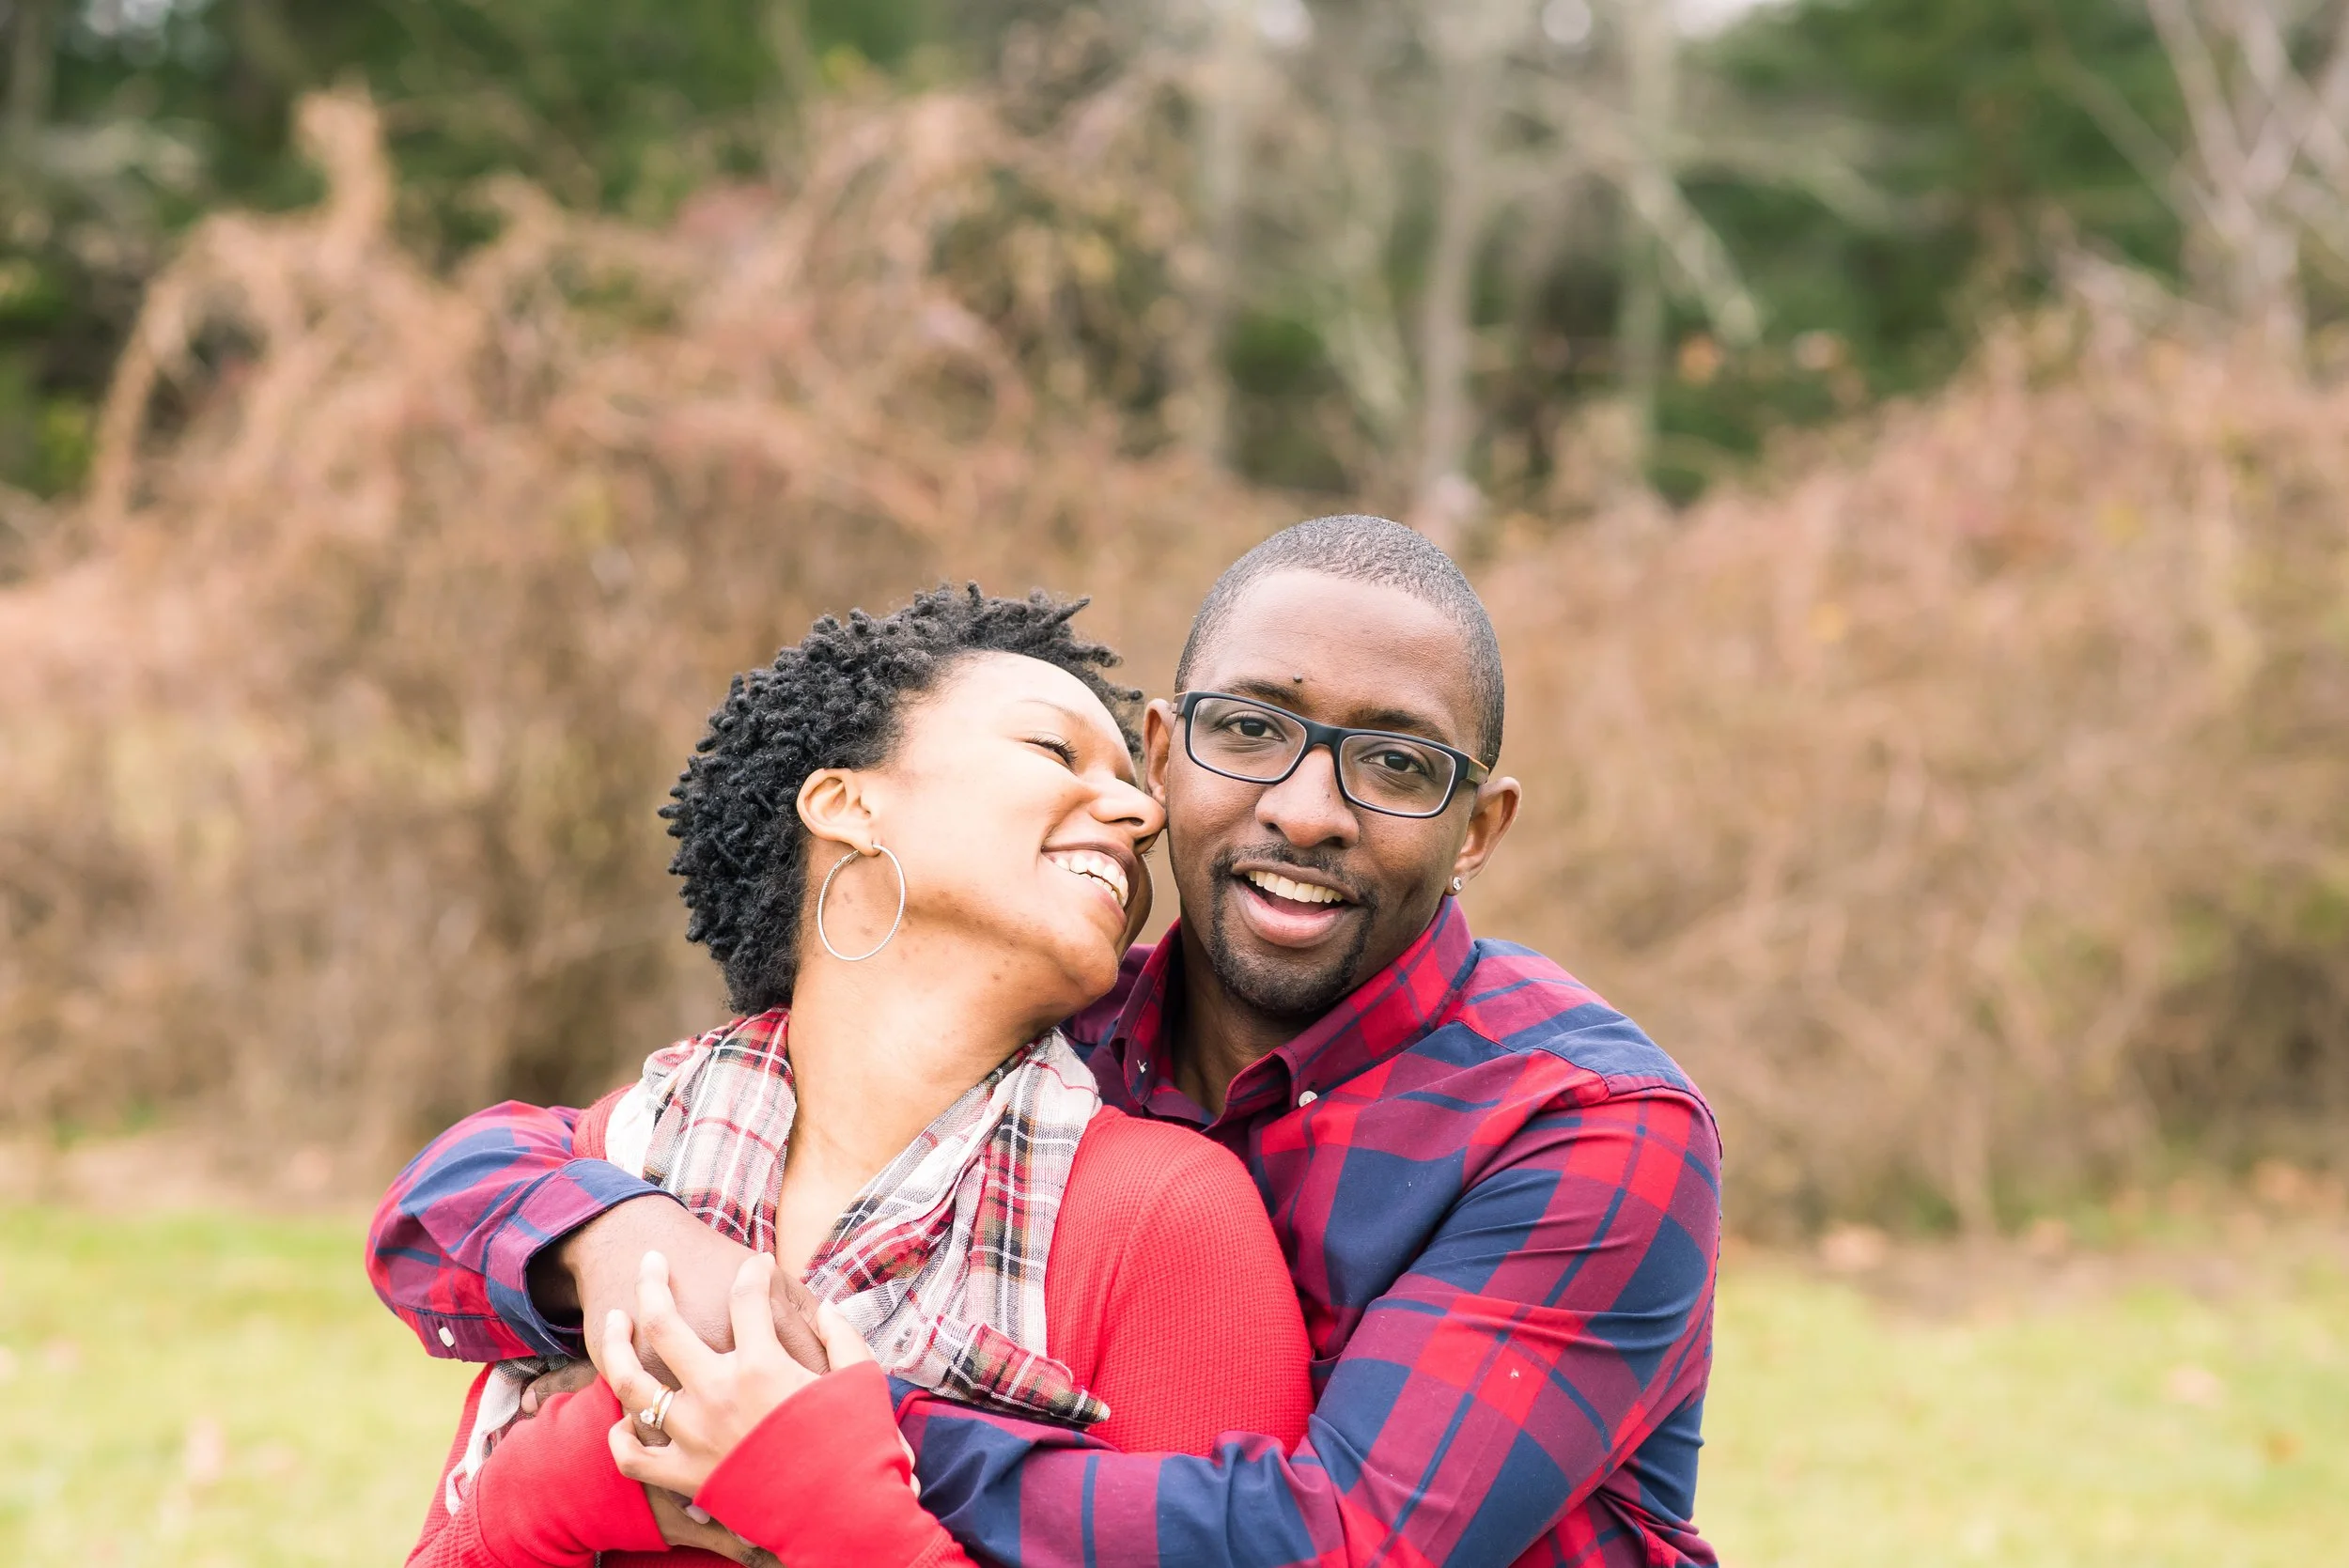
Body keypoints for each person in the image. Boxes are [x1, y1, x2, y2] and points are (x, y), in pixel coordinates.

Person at [373, 515, 1724, 1567]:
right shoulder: (1058, 1043)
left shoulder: (1585, 1124)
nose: (1310, 810)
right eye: (1250, 730)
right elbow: (473, 1184)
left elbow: (1343, 1543)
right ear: (1170, 757)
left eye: (1397, 765)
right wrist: (613, 1246)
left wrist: (795, 1421)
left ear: (1477, 828)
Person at [399, 585, 1314, 1565]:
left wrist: (819, 1496)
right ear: (847, 804)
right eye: (1054, 751)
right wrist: (573, 1472)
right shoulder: (630, 1158)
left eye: (1134, 786)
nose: (1141, 813)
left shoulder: (1166, 1217)